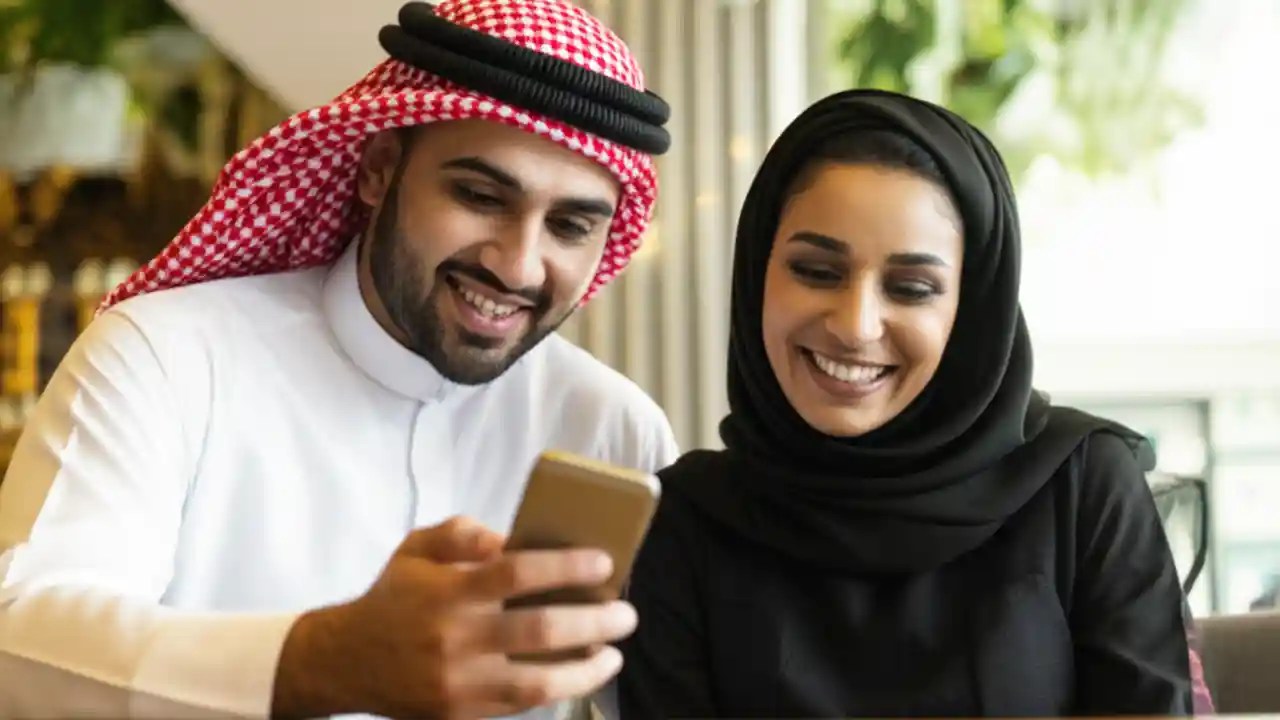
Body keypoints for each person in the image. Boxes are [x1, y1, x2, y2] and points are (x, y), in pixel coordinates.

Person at [0, 1, 678, 718]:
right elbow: (19, 641)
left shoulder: (611, 430)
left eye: (570, 226)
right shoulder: (165, 357)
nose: (517, 265)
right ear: (379, 169)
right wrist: (318, 661)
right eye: (480, 196)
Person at [617, 89, 1213, 718]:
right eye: (817, 271)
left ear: (972, 312)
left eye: (912, 288)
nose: (856, 324)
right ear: (757, 275)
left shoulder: (1081, 485)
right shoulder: (684, 521)